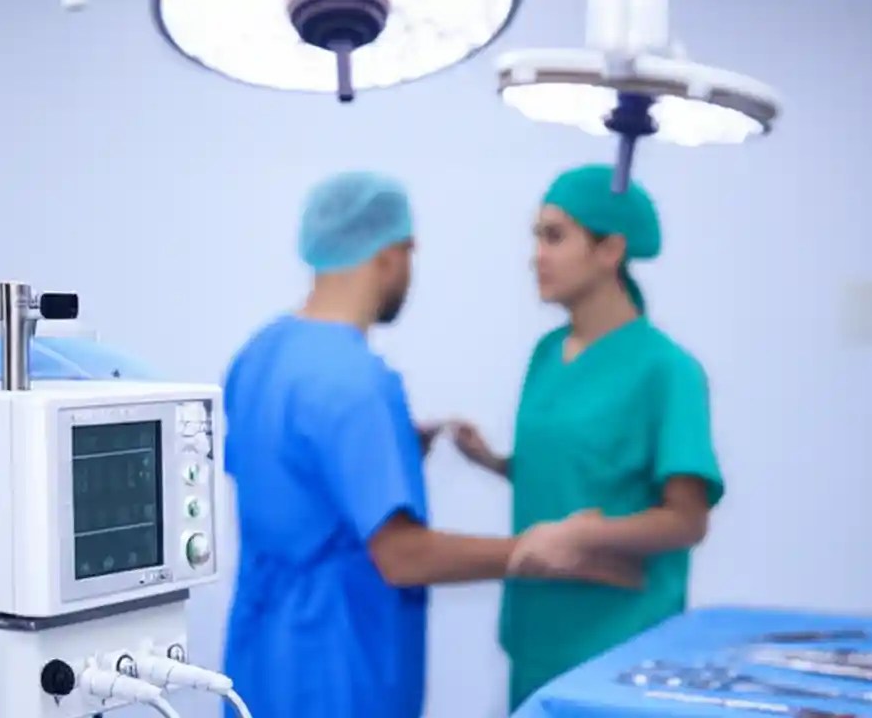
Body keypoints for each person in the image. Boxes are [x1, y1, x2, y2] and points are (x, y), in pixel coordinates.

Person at [220, 170, 641, 718]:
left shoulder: (259, 354)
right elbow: (402, 556)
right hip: (337, 673)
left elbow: (292, 485)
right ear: (391, 254)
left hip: (260, 665)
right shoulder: (357, 381)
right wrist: (535, 551)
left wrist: (389, 451)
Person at [449, 164, 725, 713]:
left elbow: (687, 520)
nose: (536, 256)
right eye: (535, 237)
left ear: (610, 249)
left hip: (620, 641)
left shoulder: (667, 370)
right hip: (538, 625)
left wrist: (587, 537)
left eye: (554, 236)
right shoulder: (546, 355)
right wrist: (496, 463)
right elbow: (584, 471)